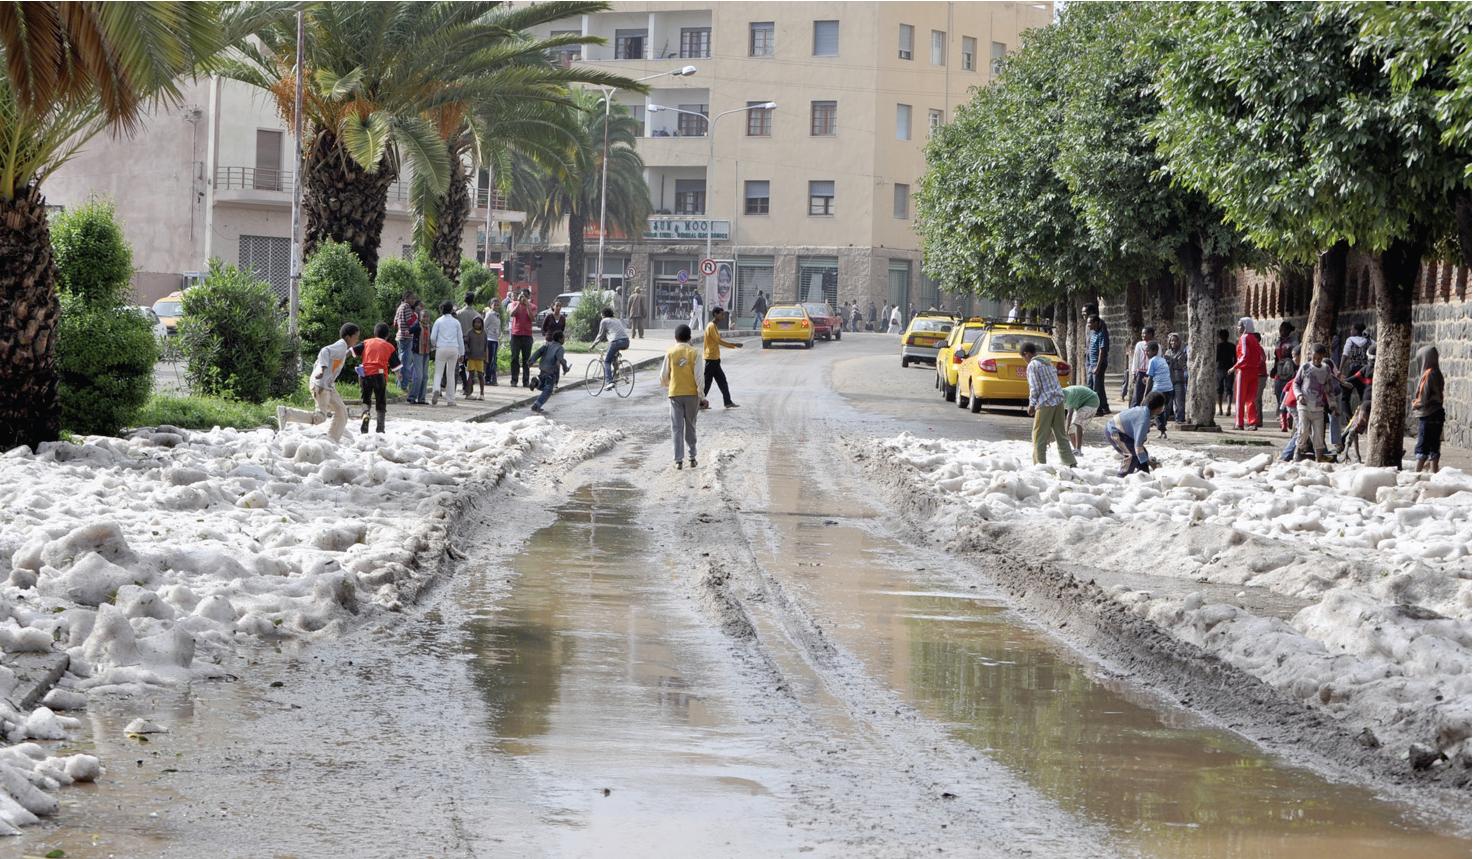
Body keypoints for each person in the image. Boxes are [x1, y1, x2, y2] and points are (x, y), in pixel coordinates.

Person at [277, 323, 359, 441]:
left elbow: (334, 358)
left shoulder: (342, 348)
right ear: (348, 337)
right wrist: (322, 367)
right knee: (320, 417)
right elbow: (324, 351)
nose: (357, 340)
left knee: (342, 412)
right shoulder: (341, 346)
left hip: (327, 385)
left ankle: (332, 440)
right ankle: (287, 413)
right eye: (356, 337)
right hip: (321, 385)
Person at [1023, 341, 1077, 467]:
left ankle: (1039, 464)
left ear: (1026, 354)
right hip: (1058, 401)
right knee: (1061, 434)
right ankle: (1070, 461)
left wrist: (1031, 404)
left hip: (1045, 402)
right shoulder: (1047, 362)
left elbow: (1035, 388)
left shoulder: (1033, 365)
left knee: (1039, 435)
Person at [659, 324, 706, 469]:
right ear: (690, 338)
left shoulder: (670, 352)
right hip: (692, 395)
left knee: (676, 427)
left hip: (675, 394)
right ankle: (692, 457)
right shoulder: (695, 353)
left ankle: (678, 460)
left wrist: (669, 385)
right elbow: (699, 377)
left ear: (675, 338)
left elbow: (663, 376)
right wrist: (702, 395)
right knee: (691, 425)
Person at [353, 322, 400, 434]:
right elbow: (396, 366)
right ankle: (380, 428)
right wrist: (399, 375)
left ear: (374, 333)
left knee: (366, 399)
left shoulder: (366, 342)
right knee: (380, 401)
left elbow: (352, 351)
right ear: (387, 335)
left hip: (365, 375)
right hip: (380, 376)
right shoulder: (389, 346)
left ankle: (365, 414)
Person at [1106, 392, 1166, 477]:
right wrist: (1150, 463)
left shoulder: (1144, 411)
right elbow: (1138, 446)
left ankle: (1144, 475)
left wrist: (1146, 460)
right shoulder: (1143, 419)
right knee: (1131, 455)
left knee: (1143, 453)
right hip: (1114, 431)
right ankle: (1122, 477)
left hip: (1120, 431)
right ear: (1158, 408)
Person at [1293, 342, 1335, 460]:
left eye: (1319, 359)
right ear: (1311, 355)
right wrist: (1299, 395)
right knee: (1303, 430)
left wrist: (1332, 405)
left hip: (1318, 408)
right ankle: (1298, 451)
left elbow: (1329, 389)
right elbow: (1296, 383)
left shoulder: (1326, 369)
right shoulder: (1305, 367)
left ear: (1323, 357)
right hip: (1304, 405)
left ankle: (1319, 457)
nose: (1317, 361)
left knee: (1318, 434)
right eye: (1315, 358)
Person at [702, 307, 744, 409]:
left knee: (722, 381)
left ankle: (727, 402)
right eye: (721, 314)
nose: (723, 316)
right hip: (711, 359)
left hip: (715, 359)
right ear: (715, 314)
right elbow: (718, 341)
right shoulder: (711, 326)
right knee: (707, 383)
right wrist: (733, 345)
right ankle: (699, 402)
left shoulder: (714, 326)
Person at [1412, 345, 1444, 473]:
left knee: (1422, 445)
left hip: (1427, 414)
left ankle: (1416, 474)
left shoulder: (1428, 374)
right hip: (1438, 412)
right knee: (1434, 445)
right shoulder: (1438, 372)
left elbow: (1423, 399)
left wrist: (1415, 404)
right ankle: (1434, 472)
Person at [429, 300, 464, 406]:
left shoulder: (438, 321)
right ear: (452, 310)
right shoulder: (456, 322)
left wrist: (435, 345)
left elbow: (433, 337)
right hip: (454, 348)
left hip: (441, 348)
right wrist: (461, 353)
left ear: (441, 309)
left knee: (438, 372)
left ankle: (436, 389)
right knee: (451, 374)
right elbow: (460, 338)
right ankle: (450, 399)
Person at [1231, 317, 1264, 430]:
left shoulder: (1244, 338)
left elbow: (1244, 355)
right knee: (1251, 399)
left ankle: (1239, 423)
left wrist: (1234, 367)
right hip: (1254, 372)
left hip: (1243, 371)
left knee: (1240, 398)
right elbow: (1261, 358)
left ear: (1245, 327)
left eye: (1240, 325)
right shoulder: (1255, 339)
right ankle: (1252, 422)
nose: (1238, 327)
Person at [528, 330, 570, 414]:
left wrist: (532, 360)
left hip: (542, 370)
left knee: (543, 386)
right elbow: (561, 359)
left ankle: (536, 383)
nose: (564, 340)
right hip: (551, 372)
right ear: (560, 339)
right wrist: (565, 368)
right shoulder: (560, 348)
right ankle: (536, 405)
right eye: (563, 338)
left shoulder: (547, 344)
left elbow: (538, 352)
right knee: (548, 390)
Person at [591, 307, 631, 389]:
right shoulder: (617, 320)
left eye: (601, 315)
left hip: (615, 342)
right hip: (626, 341)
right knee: (613, 357)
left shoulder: (604, 321)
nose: (601, 317)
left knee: (607, 361)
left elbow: (600, 335)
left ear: (604, 315)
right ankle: (616, 375)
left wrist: (593, 345)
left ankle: (609, 382)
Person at [1341, 322, 1373, 418]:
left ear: (1356, 331)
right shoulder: (1370, 341)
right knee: (1363, 396)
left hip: (1353, 370)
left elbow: (1345, 355)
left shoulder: (1350, 340)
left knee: (1345, 397)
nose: (1351, 331)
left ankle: (1349, 418)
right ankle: (1363, 417)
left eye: (1352, 329)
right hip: (1365, 371)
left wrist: (1339, 369)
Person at [1143, 341, 1174, 437]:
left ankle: (1149, 429)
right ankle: (1161, 430)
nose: (1146, 353)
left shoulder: (1153, 361)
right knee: (1161, 411)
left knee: (1152, 409)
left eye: (1148, 351)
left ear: (1154, 351)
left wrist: (1145, 395)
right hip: (1169, 389)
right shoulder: (1162, 360)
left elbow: (1150, 379)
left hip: (1159, 389)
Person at [1271, 322, 1297, 431]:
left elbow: (1296, 357)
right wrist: (1274, 368)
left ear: (1288, 330)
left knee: (1288, 396)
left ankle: (1289, 418)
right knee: (1279, 395)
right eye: (1280, 329)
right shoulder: (1278, 341)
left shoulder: (1294, 342)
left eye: (1283, 329)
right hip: (1279, 372)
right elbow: (1276, 357)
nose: (1281, 331)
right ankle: (1283, 423)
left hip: (1290, 372)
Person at [1062, 384, 1101, 457]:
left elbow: (1070, 414)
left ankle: (1078, 449)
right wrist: (1067, 430)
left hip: (1091, 402)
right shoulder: (1064, 394)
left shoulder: (1069, 395)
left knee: (1077, 423)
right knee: (1071, 429)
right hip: (1081, 405)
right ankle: (1076, 451)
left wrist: (1065, 431)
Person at [508, 290, 536, 388]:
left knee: (526, 360)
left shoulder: (532, 306)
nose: (524, 297)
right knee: (514, 358)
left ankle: (525, 381)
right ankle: (514, 380)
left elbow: (532, 318)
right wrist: (519, 303)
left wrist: (527, 305)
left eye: (526, 296)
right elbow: (512, 314)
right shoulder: (515, 303)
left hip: (527, 336)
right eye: (522, 295)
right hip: (516, 335)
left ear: (529, 296)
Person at [393, 290, 418, 391]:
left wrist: (401, 328)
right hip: (406, 338)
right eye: (412, 298)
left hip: (400, 336)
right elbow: (410, 321)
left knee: (401, 362)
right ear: (406, 298)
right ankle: (403, 386)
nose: (414, 300)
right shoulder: (407, 307)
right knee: (405, 363)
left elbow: (395, 323)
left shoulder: (399, 307)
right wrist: (415, 316)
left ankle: (398, 384)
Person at [1087, 316, 1111, 416]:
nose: (1088, 325)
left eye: (1090, 323)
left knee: (1096, 388)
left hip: (1098, 364)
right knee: (1093, 386)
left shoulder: (1102, 334)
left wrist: (1097, 367)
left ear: (1096, 322)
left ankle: (1098, 410)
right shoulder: (1093, 333)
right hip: (1091, 363)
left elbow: (1102, 351)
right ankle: (1104, 407)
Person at [1163, 332, 1188, 424]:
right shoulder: (1167, 352)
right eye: (1171, 341)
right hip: (1169, 380)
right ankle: (1165, 419)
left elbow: (1180, 365)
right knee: (1168, 402)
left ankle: (1180, 419)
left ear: (1179, 342)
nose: (1173, 343)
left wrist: (1171, 361)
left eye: (1175, 341)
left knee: (1179, 402)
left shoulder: (1182, 353)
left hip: (1179, 380)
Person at [1126, 327, 1154, 407]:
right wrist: (1134, 372)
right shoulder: (1139, 345)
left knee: (1149, 393)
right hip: (1141, 372)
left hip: (1151, 373)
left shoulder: (1156, 346)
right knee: (1137, 393)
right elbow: (1136, 358)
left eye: (1145, 333)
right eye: (1142, 333)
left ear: (1151, 334)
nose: (1143, 335)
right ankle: (1134, 410)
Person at [463, 316, 488, 399]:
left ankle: (482, 394)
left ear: (482, 324)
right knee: (471, 375)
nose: (477, 324)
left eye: (479, 322)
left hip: (480, 358)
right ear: (473, 323)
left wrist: (486, 358)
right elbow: (465, 343)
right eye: (475, 322)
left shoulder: (484, 333)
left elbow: (486, 346)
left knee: (481, 376)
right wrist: (467, 350)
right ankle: (468, 393)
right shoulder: (469, 332)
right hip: (471, 357)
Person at [1214, 328, 1235, 417]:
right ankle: (1229, 406)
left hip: (1220, 369)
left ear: (1220, 337)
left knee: (1219, 389)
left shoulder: (1218, 346)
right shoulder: (1232, 346)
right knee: (1229, 389)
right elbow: (1236, 358)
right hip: (1229, 368)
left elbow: (1216, 358)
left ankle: (1220, 409)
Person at [482, 302, 502, 387]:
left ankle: (492, 379)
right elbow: (484, 325)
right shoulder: (489, 314)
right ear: (491, 305)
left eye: (497, 305)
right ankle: (488, 378)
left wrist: (499, 335)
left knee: (494, 360)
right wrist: (487, 335)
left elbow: (498, 327)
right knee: (490, 360)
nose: (496, 306)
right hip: (490, 339)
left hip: (495, 339)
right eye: (495, 305)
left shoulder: (497, 315)